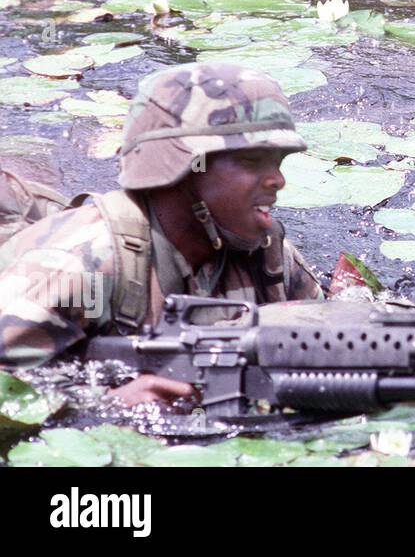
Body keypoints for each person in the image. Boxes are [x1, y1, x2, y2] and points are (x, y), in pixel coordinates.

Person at [0, 62, 324, 405]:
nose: (278, 180)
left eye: (278, 162)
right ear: (187, 167)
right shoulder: (85, 263)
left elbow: (329, 337)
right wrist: (104, 403)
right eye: (252, 161)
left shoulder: (269, 257)